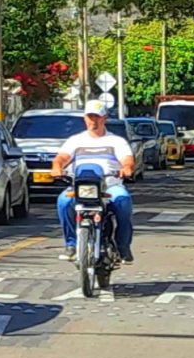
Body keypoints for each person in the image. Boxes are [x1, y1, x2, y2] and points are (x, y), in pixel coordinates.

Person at [52, 100, 136, 264]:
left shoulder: (117, 141)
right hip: (82, 186)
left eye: (97, 117)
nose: (93, 121)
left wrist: (126, 168)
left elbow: (127, 160)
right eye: (90, 117)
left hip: (110, 185)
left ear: (104, 118)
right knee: (63, 201)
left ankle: (123, 246)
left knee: (123, 201)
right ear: (84, 119)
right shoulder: (75, 140)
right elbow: (61, 158)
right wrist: (57, 167)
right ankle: (71, 245)